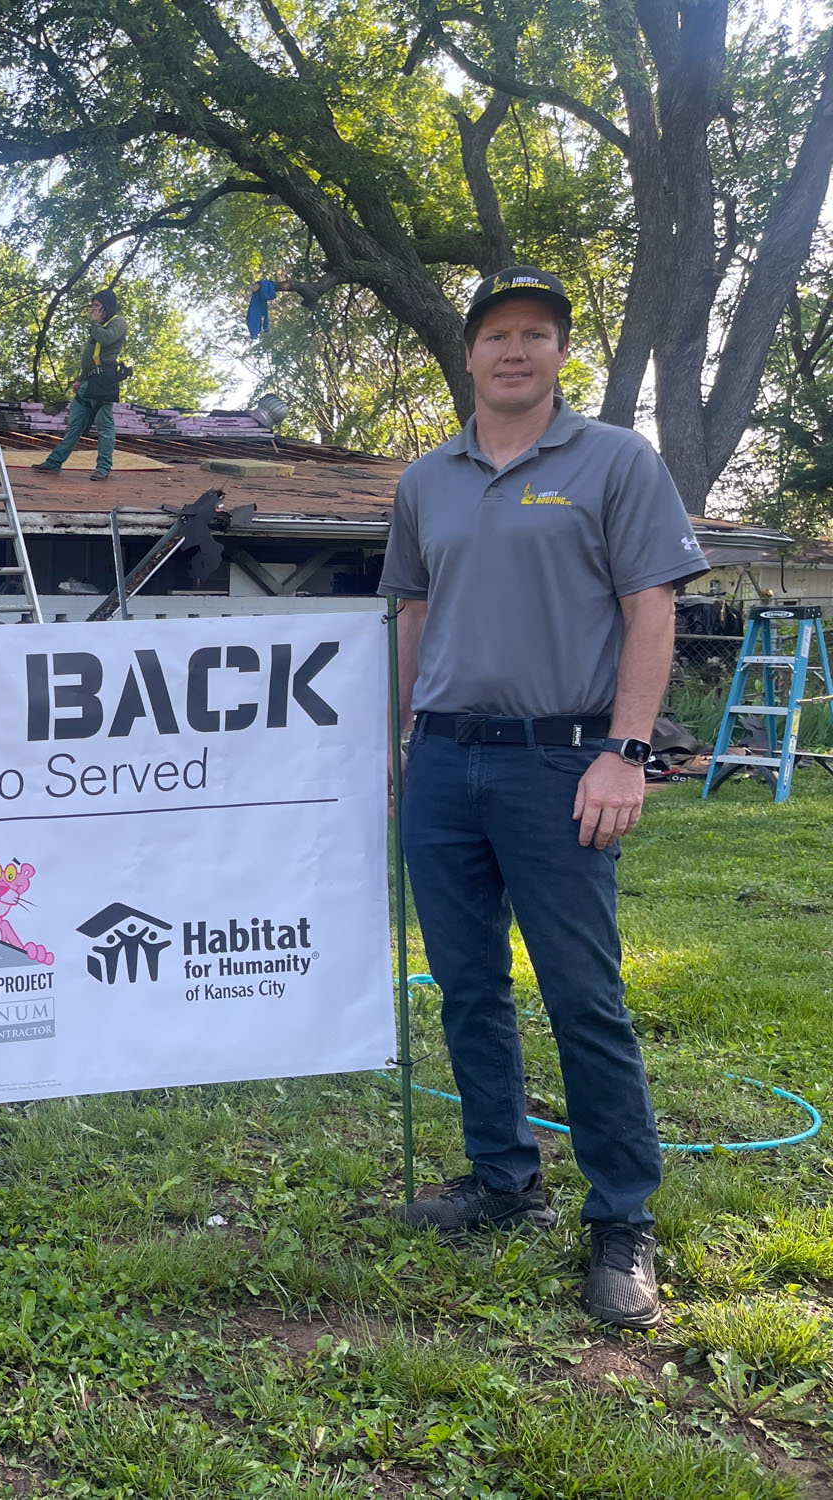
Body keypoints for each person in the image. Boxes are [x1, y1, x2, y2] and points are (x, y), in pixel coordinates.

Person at [380, 267, 709, 1330]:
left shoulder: (613, 461)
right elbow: (411, 617)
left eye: (534, 335)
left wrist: (622, 752)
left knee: (581, 995)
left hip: (559, 763)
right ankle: (500, 1181)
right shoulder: (424, 480)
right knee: (465, 985)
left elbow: (648, 613)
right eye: (495, 336)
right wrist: (401, 743)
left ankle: (621, 1219)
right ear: (468, 356)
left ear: (557, 353)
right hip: (442, 765)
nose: (512, 351)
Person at [31, 288, 128, 480]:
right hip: (89, 381)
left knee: (104, 426)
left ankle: (103, 468)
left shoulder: (117, 322)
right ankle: (54, 463)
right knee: (74, 424)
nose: (93, 310)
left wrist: (95, 323)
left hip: (104, 382)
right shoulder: (98, 326)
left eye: (97, 306)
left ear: (106, 308)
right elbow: (91, 357)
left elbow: (106, 339)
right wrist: (81, 378)